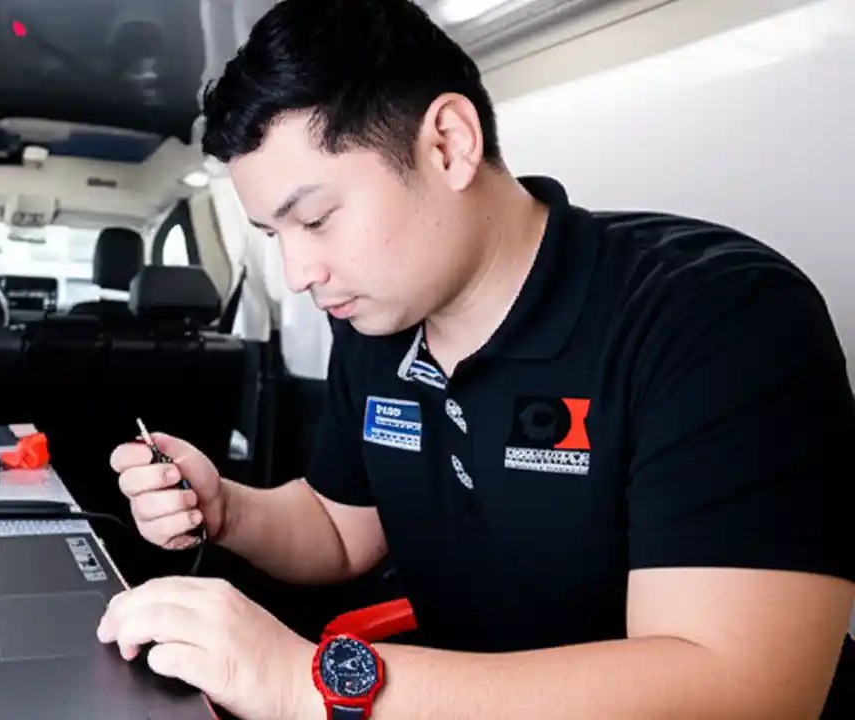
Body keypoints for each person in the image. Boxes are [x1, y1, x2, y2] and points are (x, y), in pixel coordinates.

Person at [95, 0, 855, 717]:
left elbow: (744, 687)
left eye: (318, 218)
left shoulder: (714, 316)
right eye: (275, 237)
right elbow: (339, 529)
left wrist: (310, 685)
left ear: (449, 144)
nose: (299, 272)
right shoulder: (375, 328)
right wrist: (228, 509)